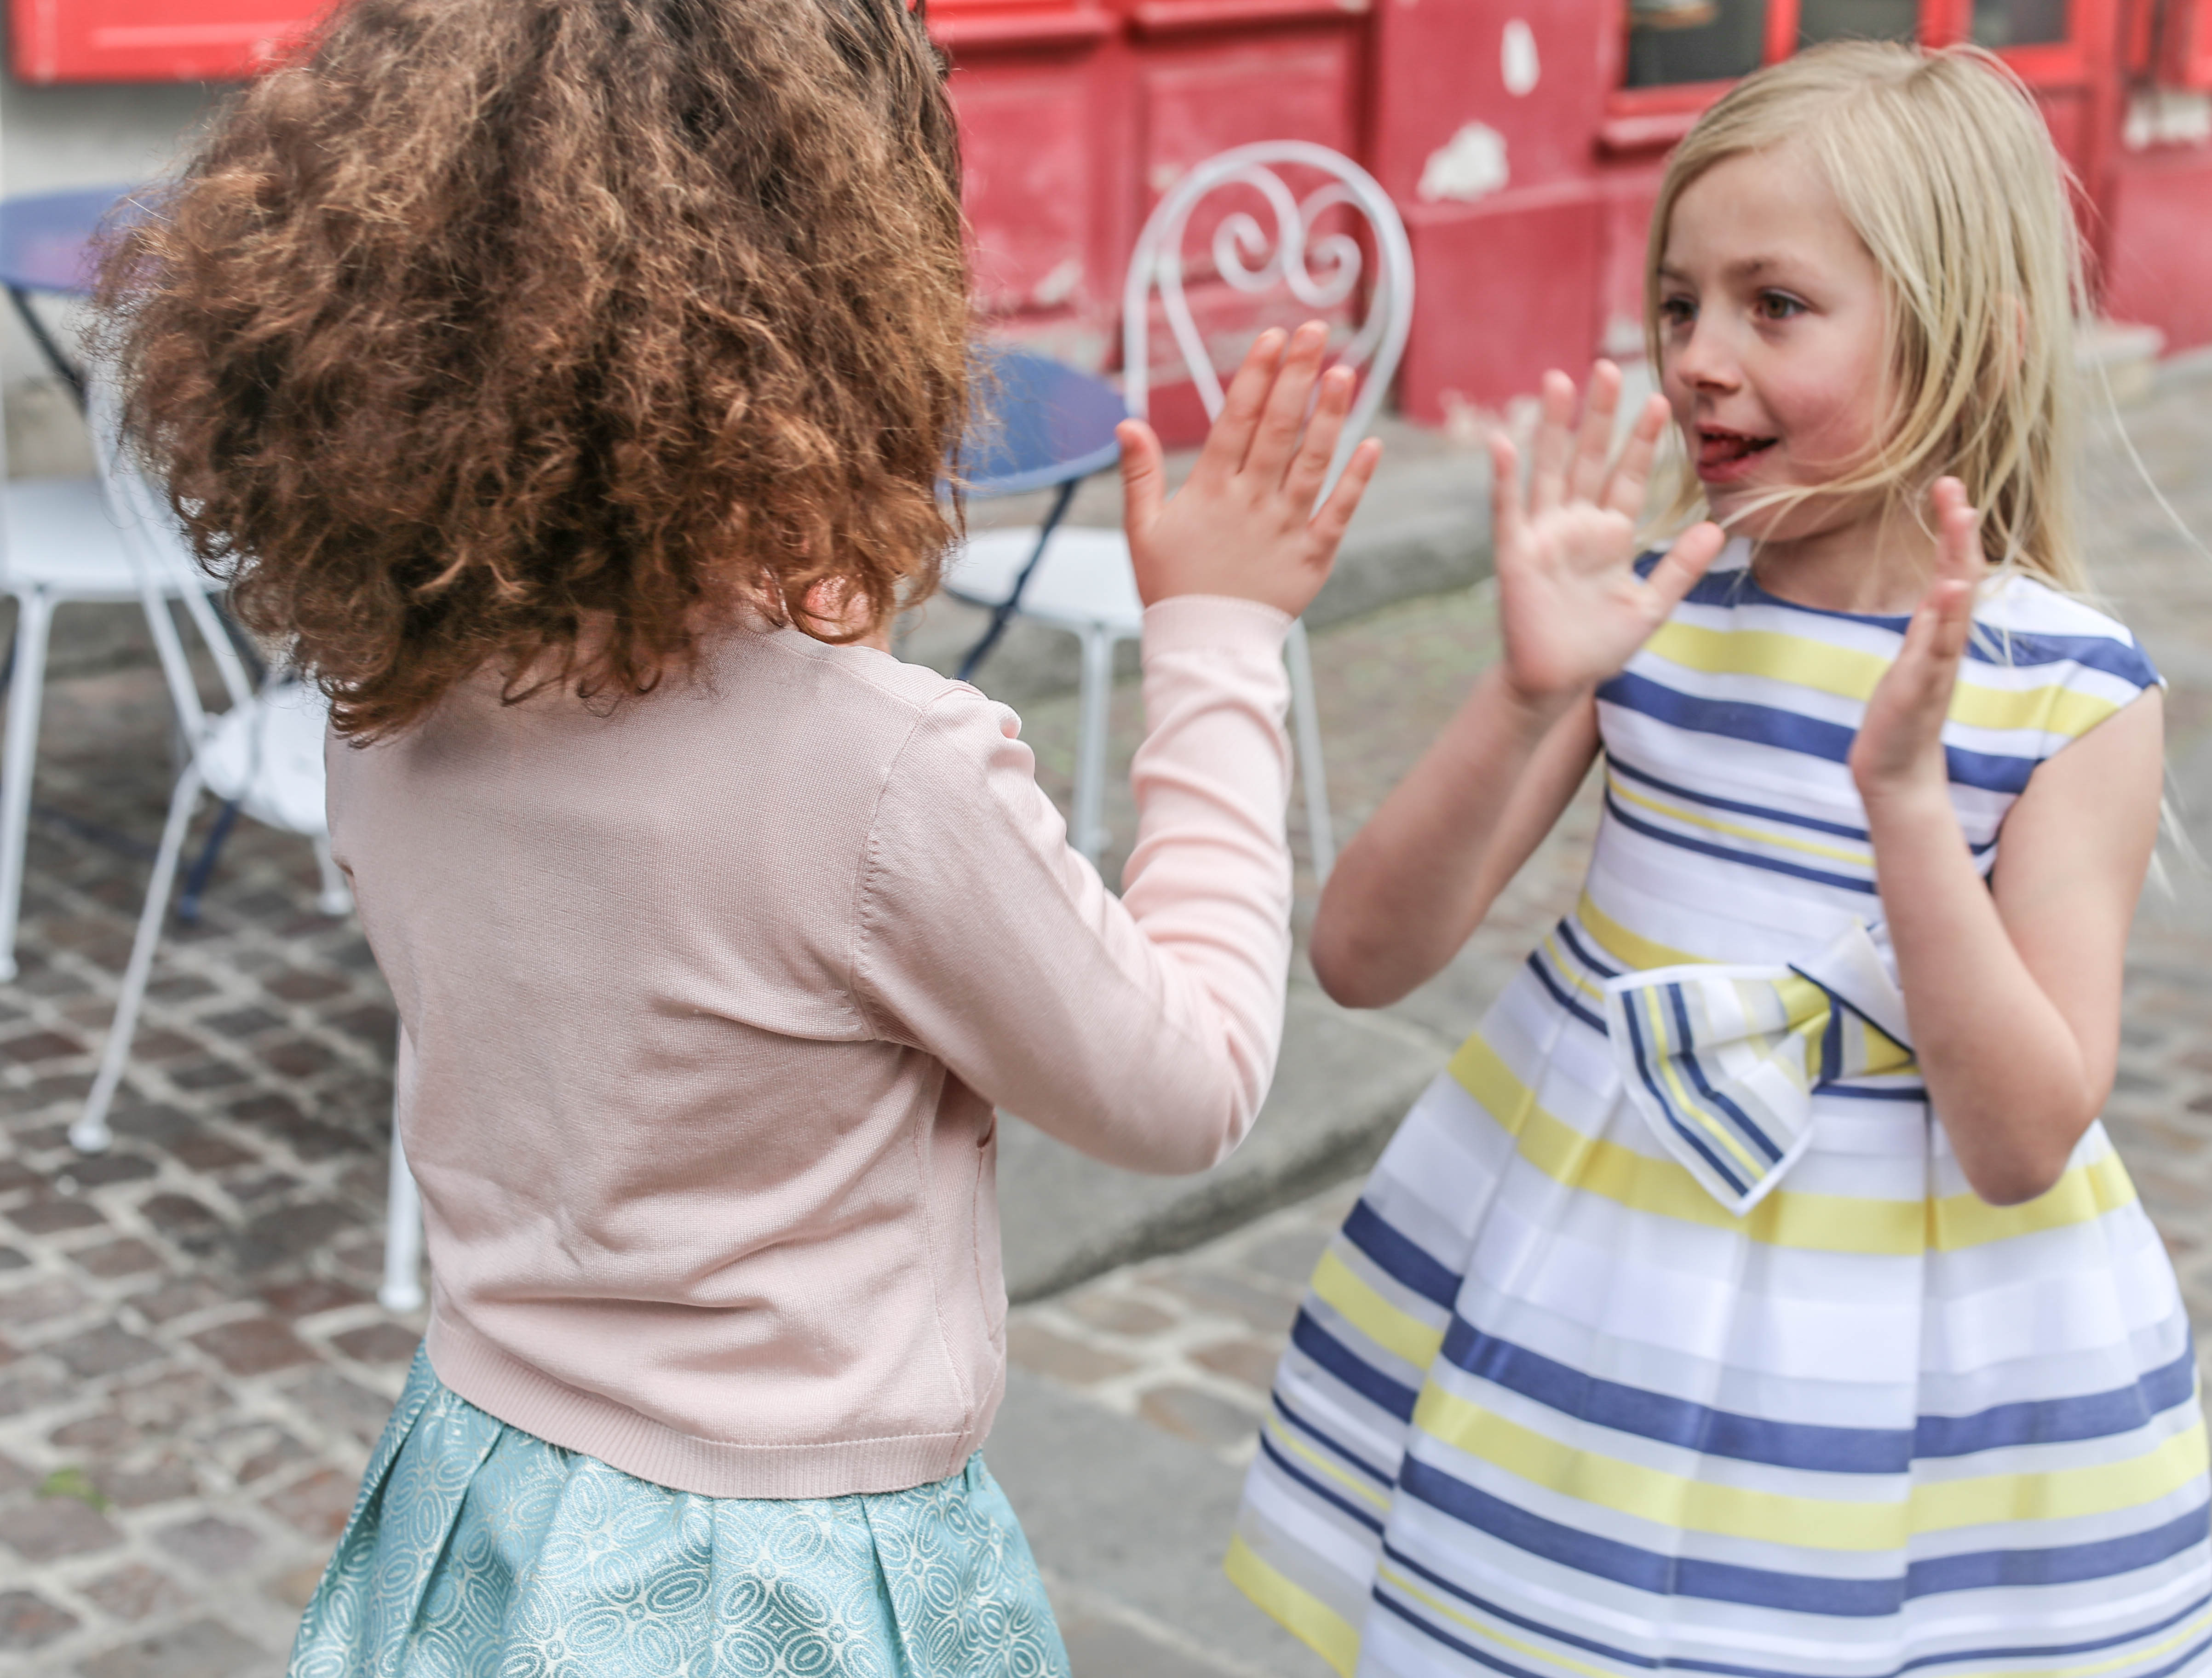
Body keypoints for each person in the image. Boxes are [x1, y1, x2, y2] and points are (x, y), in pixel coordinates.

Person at [94, 1, 1382, 1672]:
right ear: (841, 293)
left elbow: (664, 876)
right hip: (779, 1582)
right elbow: (1184, 1082)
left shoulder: (389, 696)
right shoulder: (877, 772)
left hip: (483, 1500)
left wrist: (807, 645)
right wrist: (1214, 638)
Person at [1228, 40, 2211, 1678]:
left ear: (1969, 335)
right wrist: (1532, 681)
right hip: (1585, 1288)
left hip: (1889, 1350)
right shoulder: (1645, 615)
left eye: (1775, 306)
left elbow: (2027, 1136)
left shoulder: (2068, 695)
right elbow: (1362, 955)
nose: (1696, 358)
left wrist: (1904, 804)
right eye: (1677, 304)